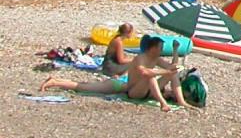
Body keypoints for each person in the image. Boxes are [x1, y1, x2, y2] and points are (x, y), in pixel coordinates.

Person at [41, 36, 188, 111]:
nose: (161, 50)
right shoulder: (140, 58)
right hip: (133, 91)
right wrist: (165, 71)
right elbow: (145, 72)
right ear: (152, 48)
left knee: (172, 74)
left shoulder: (156, 59)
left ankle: (182, 102)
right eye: (160, 47)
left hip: (142, 89)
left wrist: (175, 50)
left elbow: (172, 68)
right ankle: (55, 82)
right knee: (85, 87)